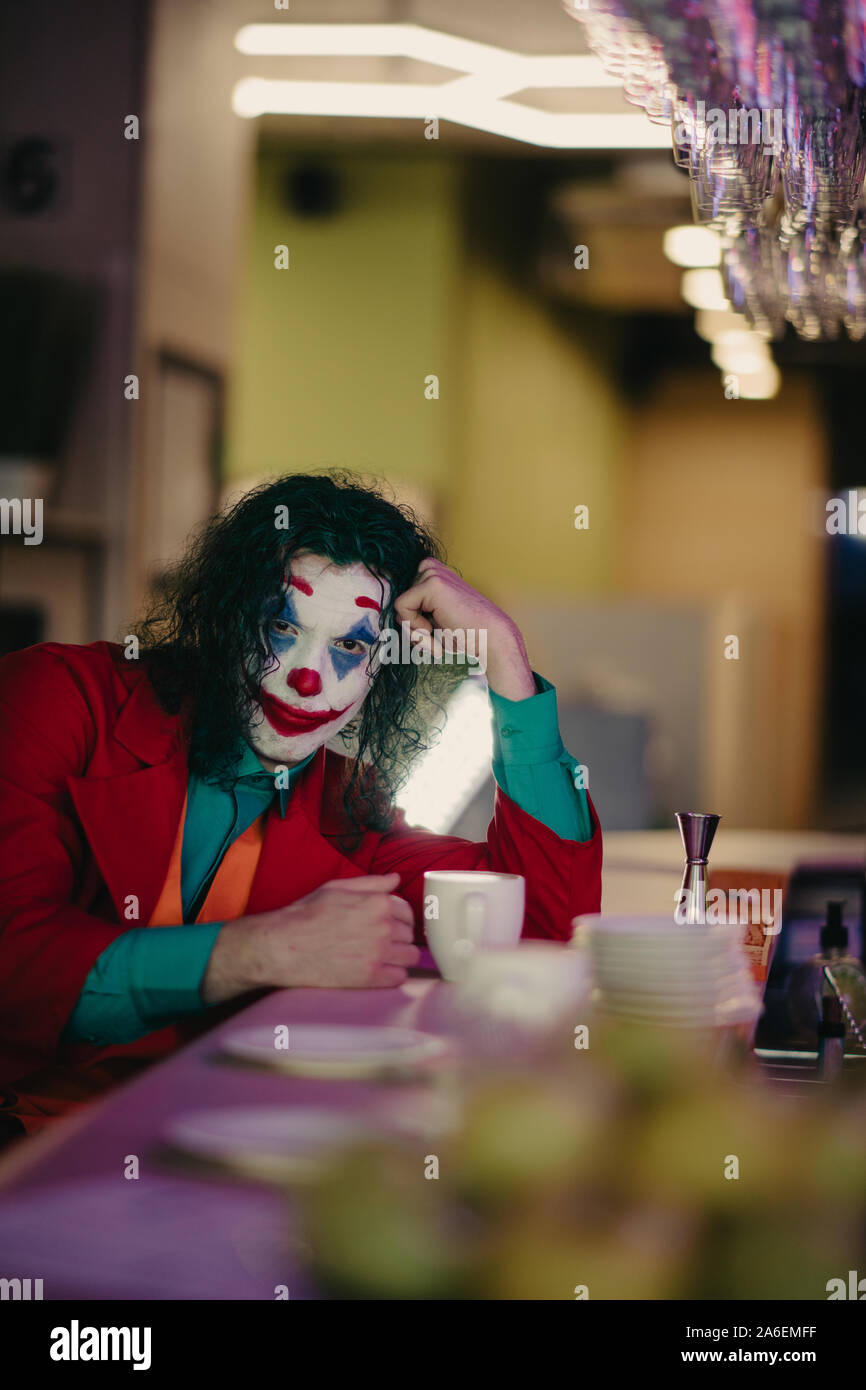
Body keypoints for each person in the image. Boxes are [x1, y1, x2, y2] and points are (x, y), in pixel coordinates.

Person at [0, 472, 601, 1141]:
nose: (308, 676)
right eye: (281, 625)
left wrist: (507, 667)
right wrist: (253, 952)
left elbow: (542, 933)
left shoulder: (349, 808)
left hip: (189, 1150)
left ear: (383, 668)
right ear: (226, 614)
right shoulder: (55, 699)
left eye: (351, 645)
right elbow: (12, 964)